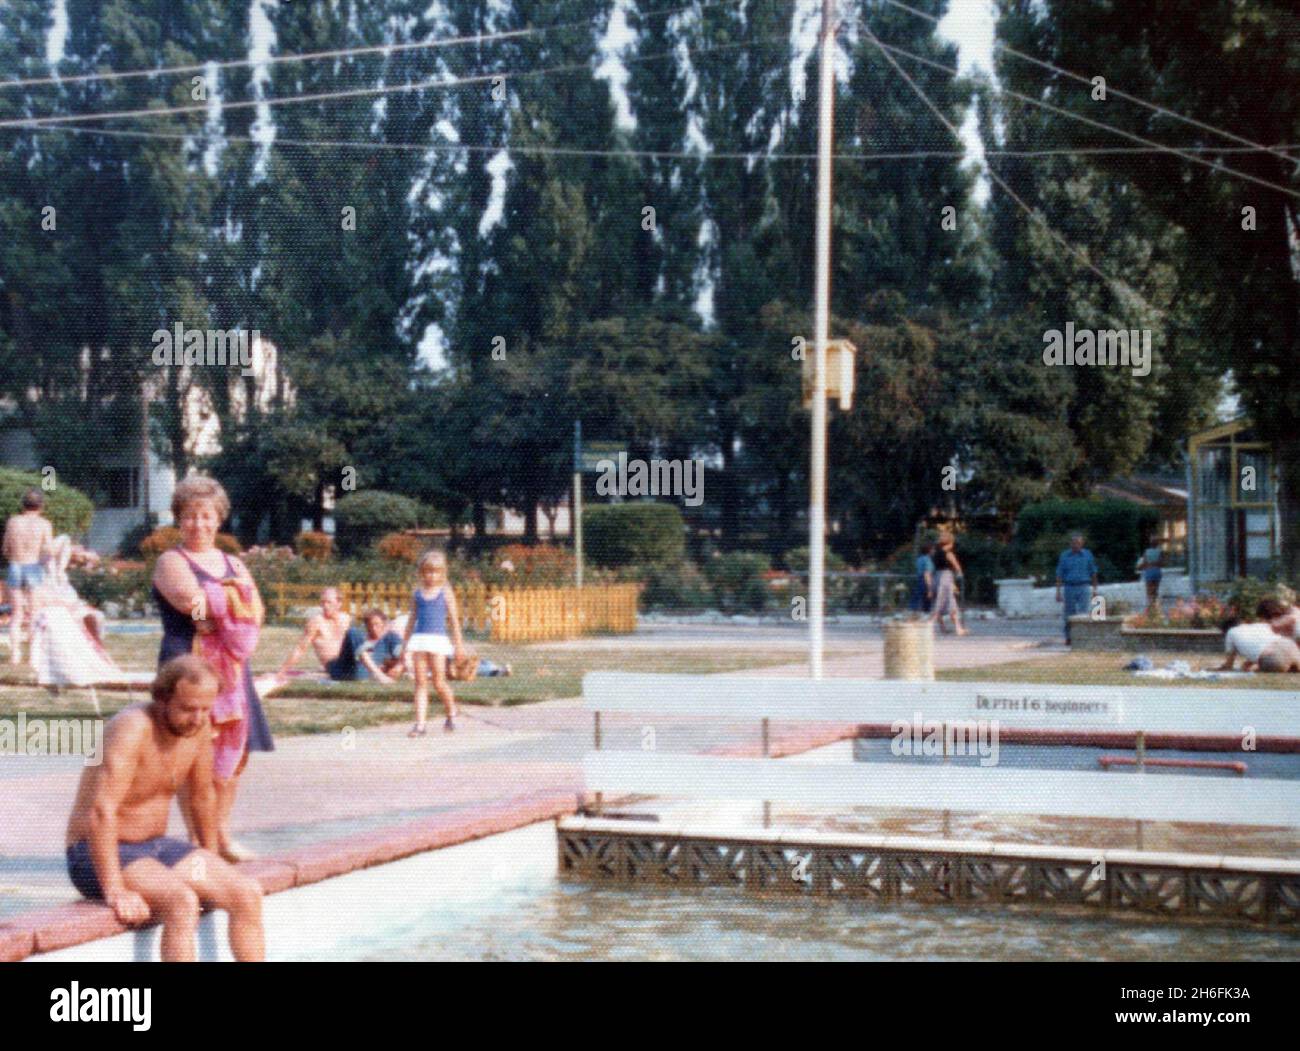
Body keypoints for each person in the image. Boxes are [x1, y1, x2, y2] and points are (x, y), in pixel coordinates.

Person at [64, 656, 265, 962]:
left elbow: (201, 797)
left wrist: (209, 855)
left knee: (246, 894)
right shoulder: (131, 728)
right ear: (161, 698)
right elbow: (102, 811)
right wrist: (115, 889)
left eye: (205, 709)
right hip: (97, 853)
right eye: (188, 708)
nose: (198, 719)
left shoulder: (196, 729)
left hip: (156, 849)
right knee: (182, 901)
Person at [152, 476, 271, 863]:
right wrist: (228, 605)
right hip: (187, 664)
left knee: (235, 756)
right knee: (194, 754)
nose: (198, 524)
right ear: (179, 520)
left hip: (232, 671)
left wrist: (220, 610)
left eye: (206, 516)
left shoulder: (233, 562)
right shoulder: (172, 561)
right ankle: (196, 839)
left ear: (218, 519)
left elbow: (258, 610)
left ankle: (221, 834)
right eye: (189, 517)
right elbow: (192, 605)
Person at [399, 550, 468, 735]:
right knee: (420, 682)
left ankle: (451, 711)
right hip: (420, 640)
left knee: (438, 681)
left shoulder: (445, 592)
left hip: (438, 641)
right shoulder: (418, 594)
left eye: (436, 572)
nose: (432, 575)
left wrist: (458, 645)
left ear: (442, 573)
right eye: (428, 571)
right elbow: (411, 620)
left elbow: (454, 620)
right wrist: (405, 645)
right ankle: (420, 724)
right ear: (422, 572)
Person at [3, 488, 53, 665]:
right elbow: (48, 551)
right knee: (34, 614)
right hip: (33, 566)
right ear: (41, 505)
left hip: (16, 565)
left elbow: (5, 549)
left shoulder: (13, 522)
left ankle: (15, 654)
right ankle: (33, 655)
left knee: (16, 613)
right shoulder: (44, 524)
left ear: (23, 504)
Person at [276, 587, 352, 680]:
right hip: (335, 668)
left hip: (350, 664)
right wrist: (282, 671)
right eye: (323, 602)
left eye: (329, 602)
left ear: (339, 604)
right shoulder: (316, 622)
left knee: (357, 635)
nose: (325, 606)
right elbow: (300, 649)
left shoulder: (346, 619)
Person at [1055, 532, 1099, 644]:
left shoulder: (1087, 555)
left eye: (1078, 543)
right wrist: (1058, 592)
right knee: (1068, 613)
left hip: (1084, 586)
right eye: (1074, 542)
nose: (1076, 545)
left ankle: (1082, 636)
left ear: (1082, 543)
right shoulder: (1064, 556)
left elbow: (1093, 572)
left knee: (1083, 613)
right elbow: (1059, 573)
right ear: (1070, 543)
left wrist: (1095, 590)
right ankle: (1068, 636)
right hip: (1069, 587)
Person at [929, 534, 968, 636]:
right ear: (950, 543)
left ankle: (944, 628)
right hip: (946, 578)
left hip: (936, 578)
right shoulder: (949, 554)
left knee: (938, 603)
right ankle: (958, 629)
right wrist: (959, 575)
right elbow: (958, 568)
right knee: (950, 603)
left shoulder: (935, 553)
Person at [1136, 536, 1163, 616]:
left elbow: (1144, 563)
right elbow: (1161, 563)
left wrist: (1140, 566)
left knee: (1149, 591)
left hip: (1149, 572)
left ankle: (1150, 609)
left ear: (1150, 544)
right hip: (1157, 571)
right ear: (1157, 544)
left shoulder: (1146, 552)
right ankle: (1155, 607)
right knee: (1155, 591)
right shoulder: (1159, 552)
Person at [910, 540, 935, 614]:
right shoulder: (927, 560)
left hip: (919, 579)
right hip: (926, 580)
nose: (934, 551)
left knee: (917, 597)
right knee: (927, 599)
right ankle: (925, 614)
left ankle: (913, 612)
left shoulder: (919, 559)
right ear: (929, 550)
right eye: (933, 549)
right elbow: (927, 573)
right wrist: (930, 587)